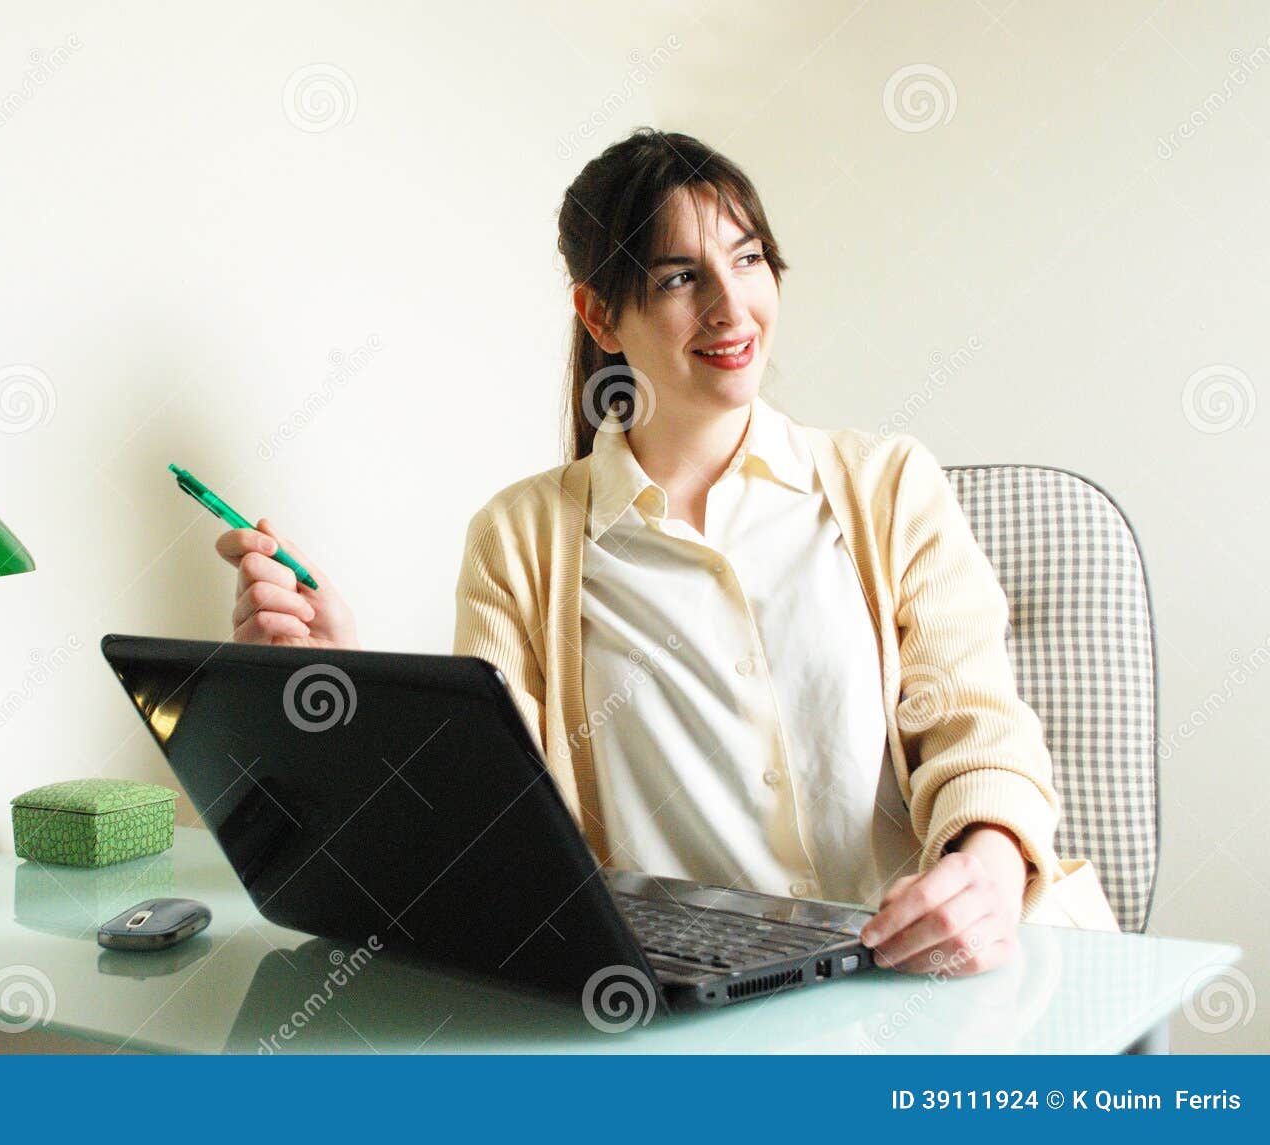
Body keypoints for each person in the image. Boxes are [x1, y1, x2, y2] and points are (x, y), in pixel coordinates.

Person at [215, 128, 1097, 977]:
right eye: (681, 275)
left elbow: (980, 727)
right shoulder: (520, 541)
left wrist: (987, 857)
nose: (730, 305)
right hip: (683, 1014)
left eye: (749, 258)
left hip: (914, 989)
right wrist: (351, 691)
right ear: (600, 313)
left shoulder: (889, 487)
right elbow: (491, 830)